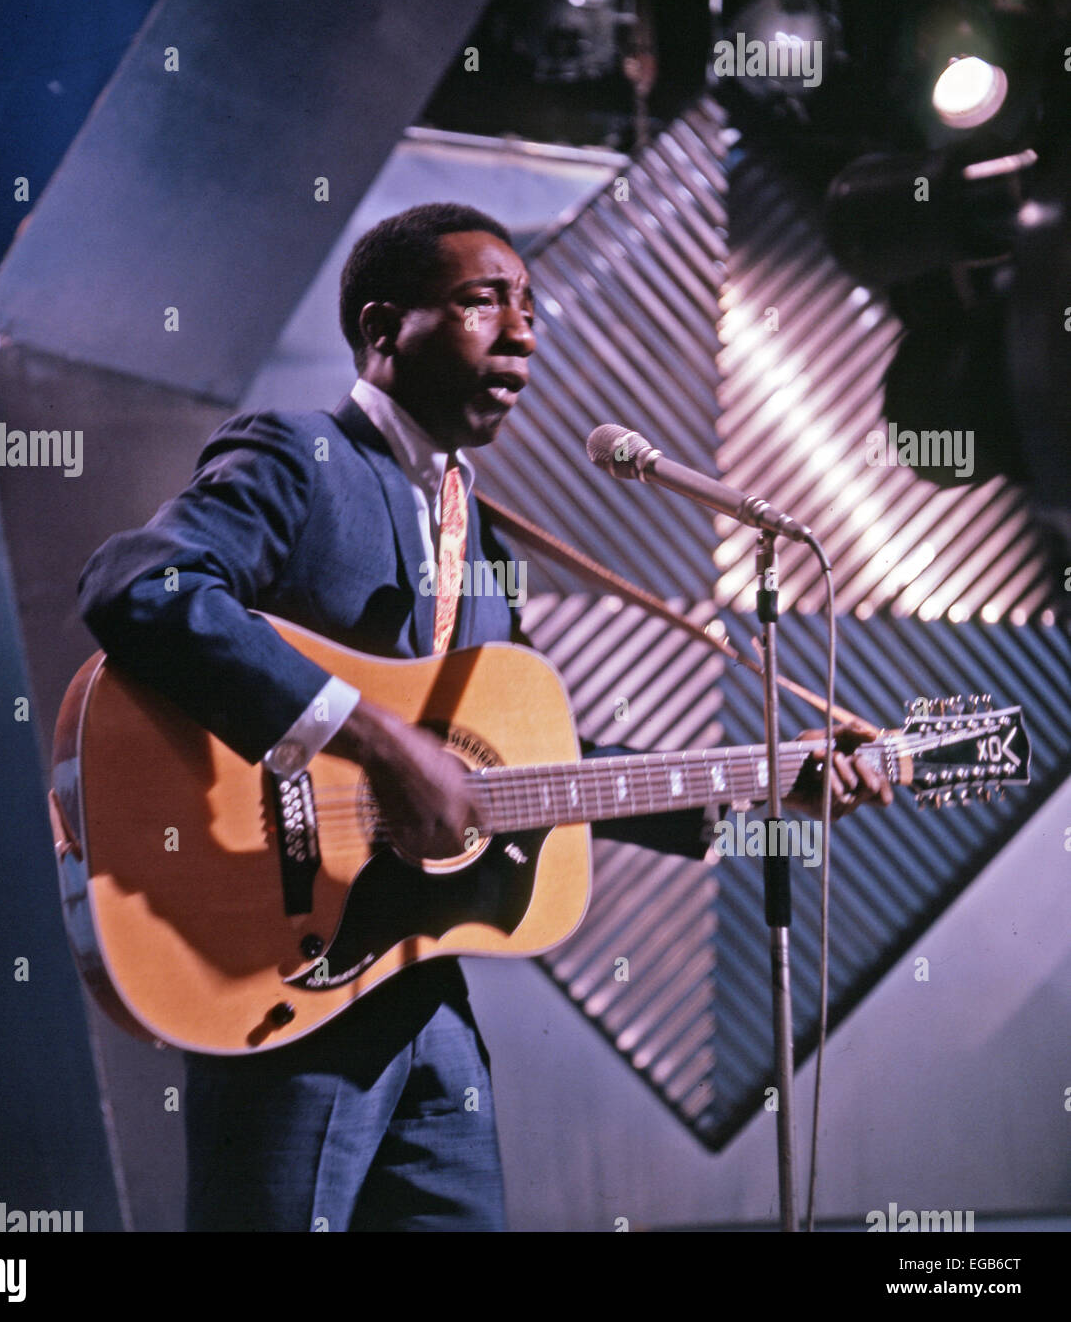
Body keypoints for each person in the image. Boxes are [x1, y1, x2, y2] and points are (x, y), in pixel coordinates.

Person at [78, 201, 890, 1232]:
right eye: (481, 302)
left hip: (423, 991)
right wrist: (375, 740)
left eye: (529, 308)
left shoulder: (486, 544)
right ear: (382, 331)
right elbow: (138, 584)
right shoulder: (300, 459)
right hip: (289, 978)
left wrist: (773, 800)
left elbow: (540, 771)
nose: (521, 331)